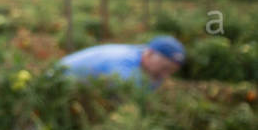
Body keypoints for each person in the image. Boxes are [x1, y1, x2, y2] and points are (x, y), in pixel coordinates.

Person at [56, 35, 186, 90]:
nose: (165, 75)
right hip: (55, 84)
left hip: (78, 89)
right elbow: (125, 99)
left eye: (171, 72)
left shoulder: (141, 58)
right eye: (164, 68)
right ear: (149, 54)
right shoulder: (122, 63)